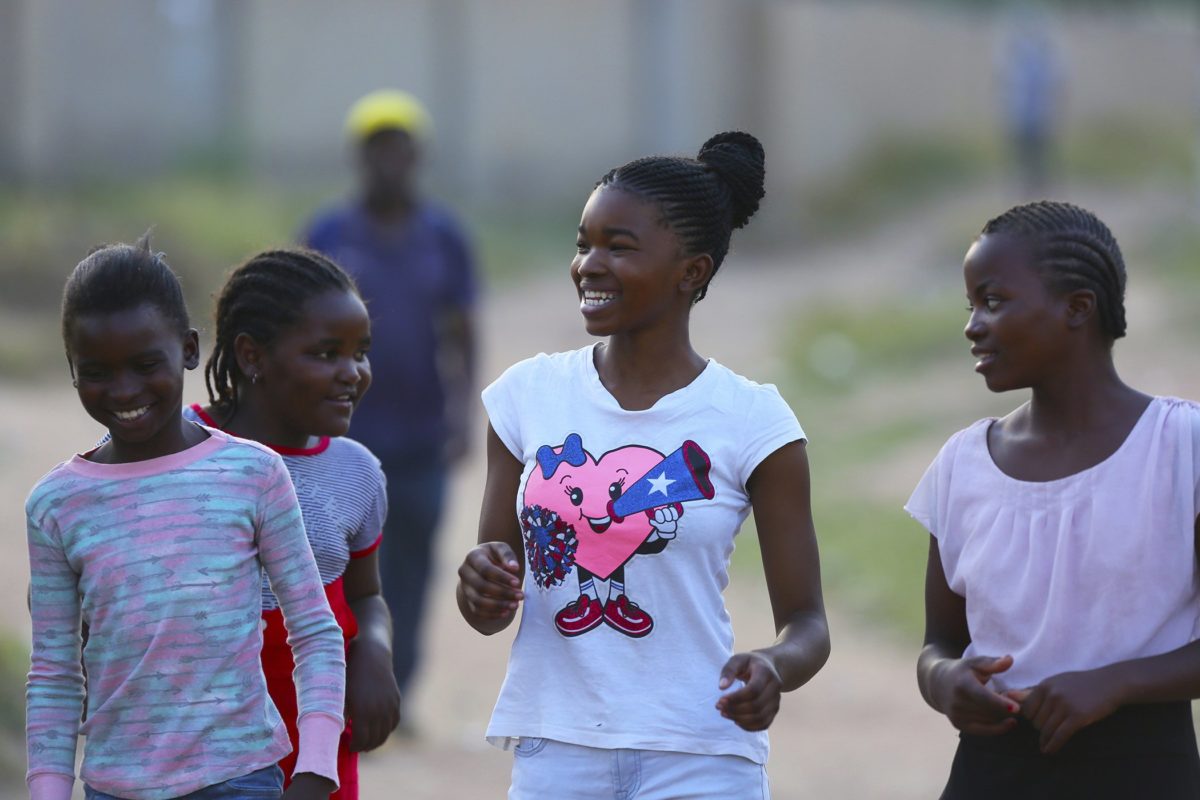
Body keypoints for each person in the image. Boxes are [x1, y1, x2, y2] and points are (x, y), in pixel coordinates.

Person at [457, 132, 830, 798]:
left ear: (692, 271)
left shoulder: (752, 421)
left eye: (618, 247)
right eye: (583, 244)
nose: (588, 265)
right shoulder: (527, 398)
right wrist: (479, 584)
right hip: (557, 748)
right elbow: (492, 607)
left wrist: (773, 667)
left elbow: (808, 625)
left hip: (700, 752)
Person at [25, 235, 346, 800]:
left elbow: (315, 631)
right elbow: (54, 674)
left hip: (241, 779)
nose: (124, 390)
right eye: (96, 371)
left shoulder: (254, 474)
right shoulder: (57, 505)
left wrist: (316, 766)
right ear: (72, 368)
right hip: (114, 786)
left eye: (146, 364)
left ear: (190, 349)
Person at [909, 201, 1200, 798]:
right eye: (971, 307)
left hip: (1144, 768)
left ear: (1077, 308)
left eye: (993, 301)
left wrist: (1116, 684)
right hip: (992, 769)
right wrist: (945, 680)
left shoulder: (1180, 448)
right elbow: (939, 642)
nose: (972, 324)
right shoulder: (962, 465)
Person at [191, 248, 401, 798]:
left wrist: (375, 653)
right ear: (252, 355)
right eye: (327, 353)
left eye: (361, 352)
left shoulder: (356, 473)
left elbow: (366, 594)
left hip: (318, 731)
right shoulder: (179, 447)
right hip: (198, 740)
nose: (353, 373)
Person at [304, 90, 478, 703]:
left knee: (412, 564)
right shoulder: (329, 233)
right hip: (344, 438)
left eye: (399, 148)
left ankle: (397, 689)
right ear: (360, 157)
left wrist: (463, 416)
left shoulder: (444, 236)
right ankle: (340, 688)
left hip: (420, 438)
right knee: (336, 565)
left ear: (416, 156)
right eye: (377, 149)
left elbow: (462, 330)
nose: (389, 161)